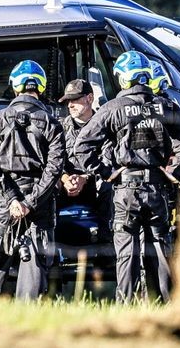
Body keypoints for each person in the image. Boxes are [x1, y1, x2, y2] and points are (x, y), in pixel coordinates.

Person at [74, 50, 180, 302]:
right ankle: (168, 306)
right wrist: (179, 172)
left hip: (125, 190)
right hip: (158, 191)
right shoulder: (165, 106)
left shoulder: (113, 108)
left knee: (126, 252)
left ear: (123, 79)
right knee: (161, 249)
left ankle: (127, 307)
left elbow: (82, 146)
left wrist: (106, 172)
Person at [0, 60, 65, 301]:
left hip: (6, 203)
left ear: (14, 86)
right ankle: (28, 322)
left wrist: (13, 199)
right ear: (41, 87)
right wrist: (31, 202)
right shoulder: (52, 124)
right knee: (35, 269)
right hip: (40, 205)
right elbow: (55, 168)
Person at [57, 78, 114, 243]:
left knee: (108, 186)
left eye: (75, 99)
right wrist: (65, 178)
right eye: (68, 100)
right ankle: (48, 251)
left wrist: (86, 178)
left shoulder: (105, 127)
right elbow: (53, 160)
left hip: (94, 182)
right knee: (48, 185)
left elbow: (108, 161)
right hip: (65, 183)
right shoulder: (59, 128)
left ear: (90, 98)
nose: (70, 105)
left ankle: (106, 247)